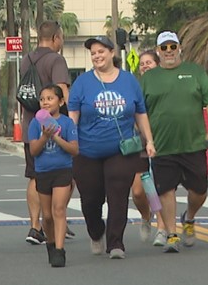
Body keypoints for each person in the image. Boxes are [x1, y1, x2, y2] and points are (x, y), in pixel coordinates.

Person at [68, 35, 154, 259]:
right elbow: (73, 115)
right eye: (93, 53)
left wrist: (149, 140)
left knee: (118, 196)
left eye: (101, 51)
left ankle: (116, 243)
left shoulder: (128, 81)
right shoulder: (82, 82)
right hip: (87, 151)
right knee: (91, 199)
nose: (97, 56)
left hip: (121, 150)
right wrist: (70, 142)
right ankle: (96, 232)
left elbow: (140, 112)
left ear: (111, 53)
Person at [141, 31, 208, 252]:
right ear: (158, 51)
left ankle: (190, 217)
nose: (169, 51)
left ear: (179, 48)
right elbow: (141, 112)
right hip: (162, 145)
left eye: (172, 47)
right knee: (166, 190)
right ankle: (172, 233)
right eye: (164, 48)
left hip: (193, 144)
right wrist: (147, 139)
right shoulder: (149, 78)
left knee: (200, 190)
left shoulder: (195, 72)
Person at [20, 20, 71, 246]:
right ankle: (56, 218)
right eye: (60, 38)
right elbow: (63, 91)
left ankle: (35, 226)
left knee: (34, 175)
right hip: (55, 128)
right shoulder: (56, 59)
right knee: (65, 175)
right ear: (55, 38)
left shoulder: (26, 59)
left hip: (30, 125)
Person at [27, 84, 79, 268]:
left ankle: (59, 250)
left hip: (63, 170)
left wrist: (56, 137)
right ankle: (50, 243)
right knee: (47, 215)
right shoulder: (35, 123)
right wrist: (44, 137)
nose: (45, 102)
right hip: (43, 172)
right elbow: (33, 150)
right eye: (42, 99)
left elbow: (74, 149)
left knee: (59, 210)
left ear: (61, 101)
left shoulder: (67, 123)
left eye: (50, 98)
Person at [129, 49, 160, 241]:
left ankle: (164, 230)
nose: (145, 66)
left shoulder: (166, 85)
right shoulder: (134, 87)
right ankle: (146, 216)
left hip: (163, 141)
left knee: (162, 187)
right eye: (142, 63)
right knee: (139, 191)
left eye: (149, 62)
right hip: (140, 144)